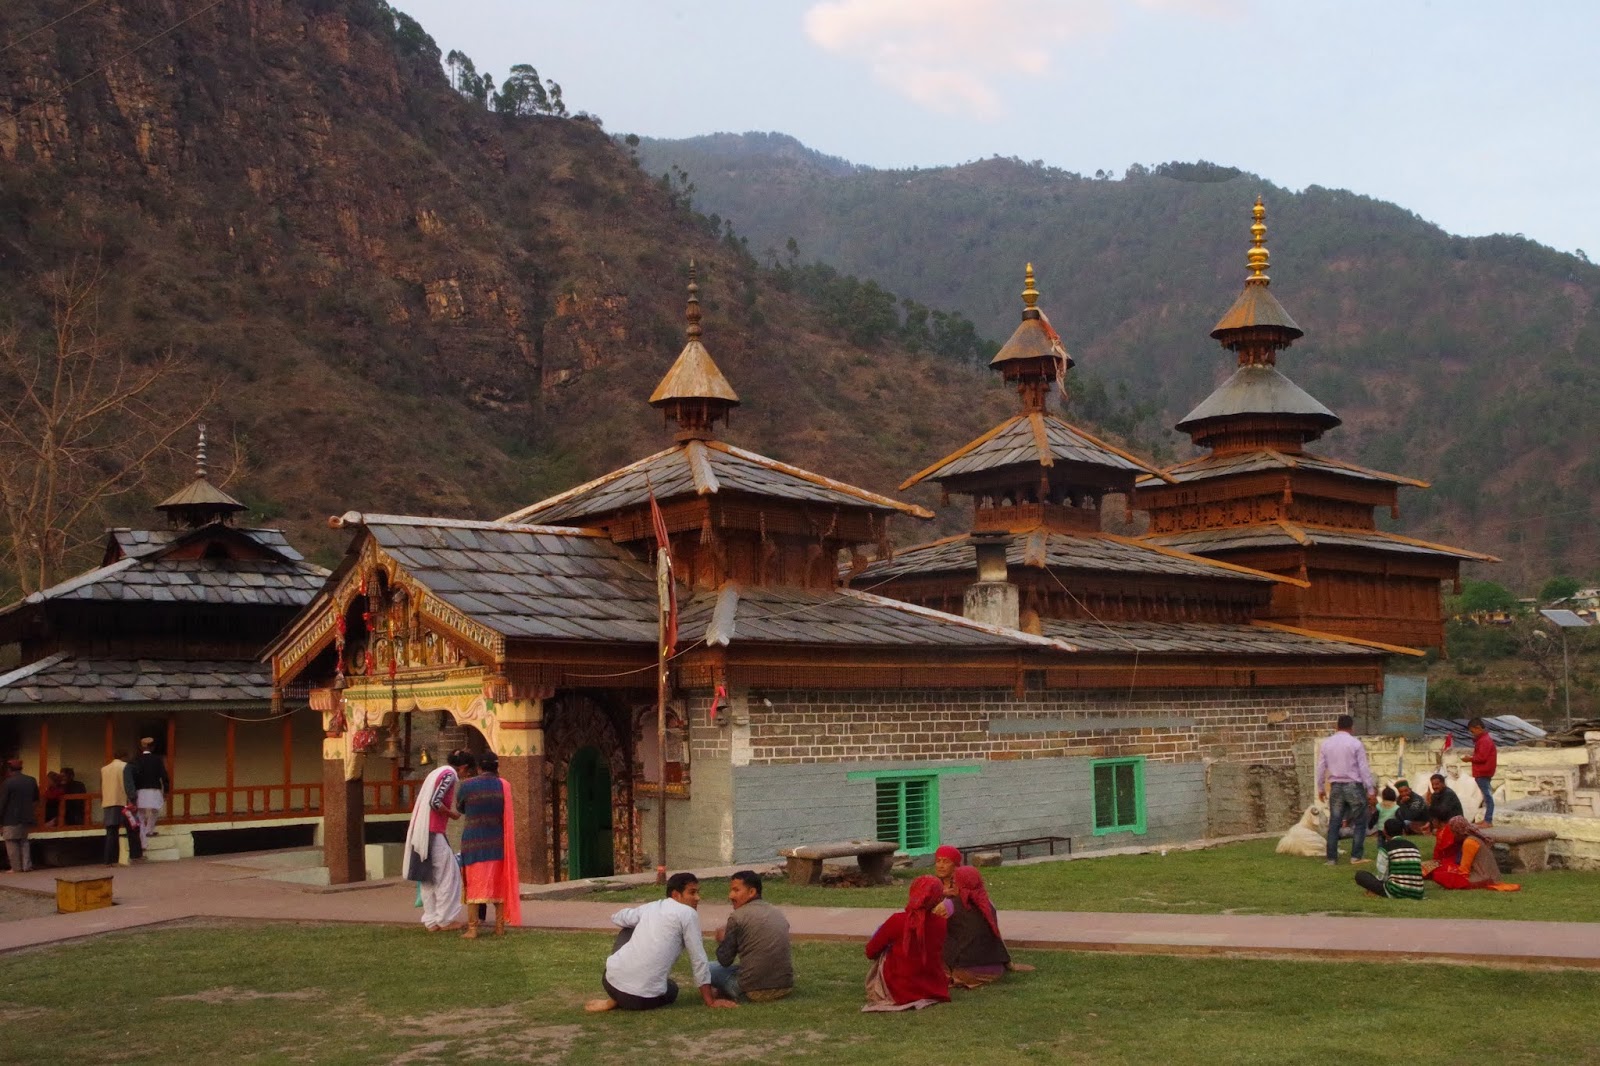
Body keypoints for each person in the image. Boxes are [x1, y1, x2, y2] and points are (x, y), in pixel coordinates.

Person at [586, 871, 736, 1012]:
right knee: (672, 989)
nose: (698, 898)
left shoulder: (653, 906)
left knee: (628, 928)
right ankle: (626, 991)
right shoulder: (688, 913)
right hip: (640, 1000)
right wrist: (710, 1001)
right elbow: (698, 958)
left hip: (609, 982)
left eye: (698, 892)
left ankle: (617, 995)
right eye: (692, 892)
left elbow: (618, 917)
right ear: (676, 895)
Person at [455, 751, 520, 938]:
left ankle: (473, 928)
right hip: (498, 844)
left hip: (473, 843)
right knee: (498, 886)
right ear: (497, 767)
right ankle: (499, 927)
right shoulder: (504, 786)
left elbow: (460, 808)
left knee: (474, 886)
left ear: (479, 768)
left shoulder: (467, 786)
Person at [863, 875, 951, 1011]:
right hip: (934, 987)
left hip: (900, 989)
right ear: (938, 898)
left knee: (886, 951)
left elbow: (870, 951)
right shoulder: (941, 923)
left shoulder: (897, 921)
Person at [403, 749, 467, 931]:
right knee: (449, 874)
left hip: (423, 830)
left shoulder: (436, 772)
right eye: (466, 772)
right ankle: (445, 919)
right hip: (432, 830)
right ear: (463, 767)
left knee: (427, 876)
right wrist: (452, 814)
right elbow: (436, 801)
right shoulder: (449, 775)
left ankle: (431, 920)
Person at [709, 870, 794, 1003]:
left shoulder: (737, 917)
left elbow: (724, 960)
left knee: (707, 968)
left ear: (752, 892)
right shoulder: (777, 912)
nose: (730, 895)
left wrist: (722, 940)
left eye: (736, 890)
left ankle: (723, 992)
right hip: (784, 987)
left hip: (751, 992)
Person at [1315, 714, 1375, 865]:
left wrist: (1320, 788)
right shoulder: (1355, 743)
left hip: (1335, 786)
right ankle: (1356, 856)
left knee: (1334, 822)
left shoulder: (1326, 744)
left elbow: (1321, 767)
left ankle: (1331, 858)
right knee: (1360, 821)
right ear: (1351, 727)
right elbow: (1363, 768)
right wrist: (1370, 790)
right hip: (1353, 785)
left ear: (1337, 726)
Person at [944, 865, 1015, 988]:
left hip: (965, 971)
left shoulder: (950, 905)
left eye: (954, 881)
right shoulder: (988, 903)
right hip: (996, 971)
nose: (952, 885)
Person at [1423, 815, 1519, 891]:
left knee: (1439, 875)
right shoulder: (1470, 839)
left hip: (1484, 877)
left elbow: (1464, 871)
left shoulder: (1469, 842)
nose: (1452, 836)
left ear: (1458, 832)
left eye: (1453, 832)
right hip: (1486, 875)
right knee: (1439, 867)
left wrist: (1450, 871)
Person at [1354, 818, 1425, 900]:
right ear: (1402, 831)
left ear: (1385, 832)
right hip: (1418, 893)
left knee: (1360, 875)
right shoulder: (1414, 847)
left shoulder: (1386, 848)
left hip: (1396, 891)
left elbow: (1382, 876)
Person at [99, 752, 143, 865]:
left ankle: (109, 860)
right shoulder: (125, 767)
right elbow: (128, 784)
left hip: (108, 802)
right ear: (124, 757)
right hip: (123, 802)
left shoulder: (104, 769)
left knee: (111, 831)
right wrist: (133, 799)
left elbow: (102, 785)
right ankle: (136, 855)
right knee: (132, 829)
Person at [129, 738, 170, 841]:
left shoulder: (136, 760)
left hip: (140, 789)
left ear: (141, 747)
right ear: (152, 747)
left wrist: (131, 791)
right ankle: (149, 830)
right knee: (155, 810)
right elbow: (164, 776)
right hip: (154, 789)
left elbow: (132, 776)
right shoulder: (157, 759)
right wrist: (166, 789)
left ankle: (142, 833)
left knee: (140, 812)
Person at [2, 760, 40, 873]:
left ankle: (16, 868)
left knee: (11, 841)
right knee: (24, 841)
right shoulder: (31, 780)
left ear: (9, 770)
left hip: (10, 818)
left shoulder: (7, 783)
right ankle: (26, 866)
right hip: (27, 817)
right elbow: (35, 799)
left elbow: (2, 803)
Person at [1468, 717, 1498, 826]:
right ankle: (1487, 819)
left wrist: (1469, 759)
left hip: (1483, 772)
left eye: (1472, 731)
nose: (1472, 734)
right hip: (1484, 771)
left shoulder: (1484, 741)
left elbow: (1481, 758)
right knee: (1486, 797)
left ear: (1478, 728)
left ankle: (1488, 820)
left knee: (1488, 797)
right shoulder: (1483, 740)